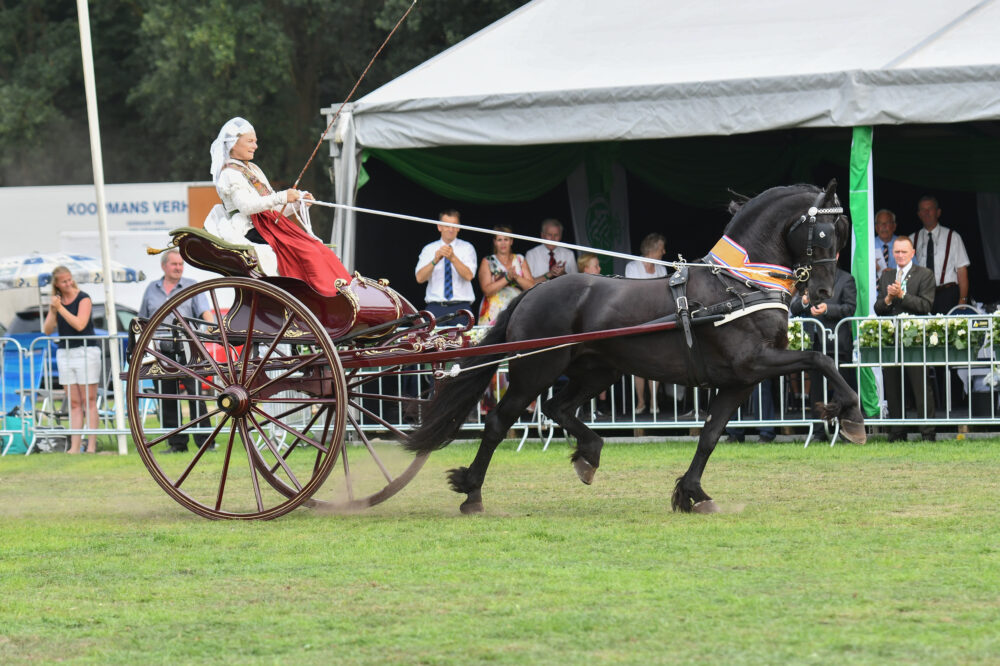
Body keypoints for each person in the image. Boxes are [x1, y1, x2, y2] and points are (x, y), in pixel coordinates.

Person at [207, 117, 350, 295]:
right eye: (250, 141)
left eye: (256, 141)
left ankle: (339, 290)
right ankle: (321, 294)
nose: (255, 146)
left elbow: (272, 211)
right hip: (250, 229)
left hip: (267, 225)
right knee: (308, 252)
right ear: (233, 144)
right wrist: (283, 196)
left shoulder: (253, 169)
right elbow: (246, 207)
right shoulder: (229, 173)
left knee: (319, 249)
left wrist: (298, 203)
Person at [139, 250, 215, 453]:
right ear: (164, 266)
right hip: (160, 348)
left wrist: (209, 331)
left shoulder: (192, 286)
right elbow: (143, 320)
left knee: (196, 394)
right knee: (167, 396)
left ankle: (205, 443)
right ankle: (176, 444)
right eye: (174, 264)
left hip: (187, 346)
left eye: (181, 264)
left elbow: (206, 314)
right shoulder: (151, 289)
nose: (179, 268)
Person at [874, 236, 936, 441]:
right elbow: (878, 308)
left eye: (904, 252)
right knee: (892, 387)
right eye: (897, 252)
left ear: (912, 253)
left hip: (916, 339)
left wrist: (902, 295)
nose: (900, 255)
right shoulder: (886, 276)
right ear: (892, 253)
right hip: (891, 339)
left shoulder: (925, 274)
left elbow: (926, 306)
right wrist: (888, 298)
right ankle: (897, 433)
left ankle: (927, 434)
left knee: (920, 387)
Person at [790, 255, 858, 421]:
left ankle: (846, 426)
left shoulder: (846, 279)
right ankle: (820, 430)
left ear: (836, 255)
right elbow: (794, 306)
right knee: (817, 390)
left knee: (842, 388)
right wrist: (805, 301)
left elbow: (850, 309)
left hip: (838, 345)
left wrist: (828, 309)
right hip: (815, 343)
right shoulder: (808, 278)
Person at [42, 266, 99, 454]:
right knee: (74, 402)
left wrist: (61, 309)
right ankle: (74, 447)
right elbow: (47, 330)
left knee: (89, 400)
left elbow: (80, 324)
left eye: (70, 279)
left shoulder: (84, 298)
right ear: (57, 284)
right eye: (64, 281)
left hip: (85, 350)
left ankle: (91, 446)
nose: (69, 283)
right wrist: (53, 310)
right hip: (65, 352)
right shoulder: (57, 302)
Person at [625, 233, 667, 414]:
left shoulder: (662, 269)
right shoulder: (632, 266)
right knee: (638, 363)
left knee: (656, 362)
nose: (664, 252)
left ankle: (654, 402)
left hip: (658, 320)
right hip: (638, 320)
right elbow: (631, 293)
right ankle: (641, 402)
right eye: (661, 249)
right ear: (653, 250)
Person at [910, 195, 970, 314]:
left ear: (938, 212)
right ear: (919, 214)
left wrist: (963, 299)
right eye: (923, 210)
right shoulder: (911, 239)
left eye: (930, 209)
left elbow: (962, 270)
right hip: (921, 295)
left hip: (947, 295)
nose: (926, 213)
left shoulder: (953, 237)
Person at [415, 210, 477, 320]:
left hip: (461, 307)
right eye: (447, 226)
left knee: (463, 338)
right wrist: (435, 260)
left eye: (454, 226)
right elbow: (419, 278)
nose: (451, 229)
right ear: (439, 227)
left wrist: (453, 258)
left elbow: (469, 276)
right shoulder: (429, 249)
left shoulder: (467, 248)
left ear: (458, 228)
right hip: (436, 307)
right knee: (431, 337)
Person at [478, 225, 535, 326]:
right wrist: (507, 278)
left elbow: (532, 287)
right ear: (495, 242)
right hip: (494, 312)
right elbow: (487, 290)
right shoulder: (487, 261)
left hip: (517, 309)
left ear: (511, 241)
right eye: (500, 240)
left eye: (506, 239)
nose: (503, 243)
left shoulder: (520, 259)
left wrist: (516, 277)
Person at [525, 219, 578, 284]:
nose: (553, 239)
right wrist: (550, 274)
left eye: (556, 235)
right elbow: (527, 284)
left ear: (561, 236)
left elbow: (576, 282)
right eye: (549, 235)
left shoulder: (569, 254)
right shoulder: (531, 254)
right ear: (542, 235)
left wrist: (563, 274)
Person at [873, 209, 898, 279]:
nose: (884, 226)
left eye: (887, 223)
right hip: (874, 289)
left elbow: (914, 271)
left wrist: (897, 273)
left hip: (898, 288)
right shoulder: (869, 245)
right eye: (880, 223)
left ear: (894, 226)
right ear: (876, 227)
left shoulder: (903, 244)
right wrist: (870, 269)